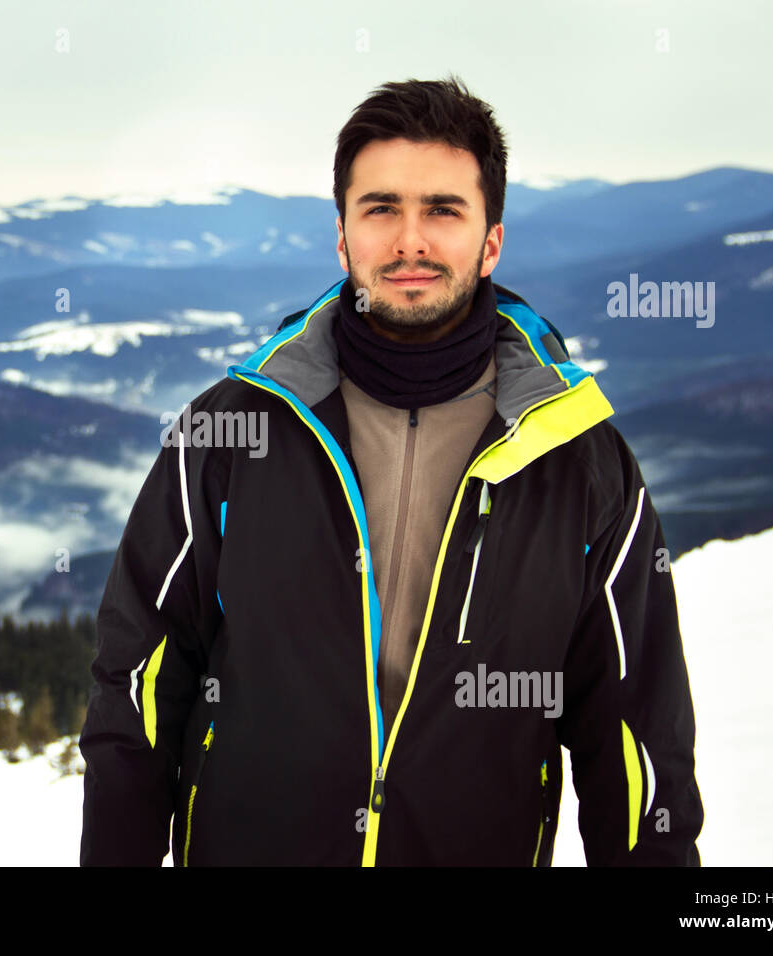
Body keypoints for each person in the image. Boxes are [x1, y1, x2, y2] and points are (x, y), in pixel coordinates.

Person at [79, 75, 703, 866]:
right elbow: (138, 681)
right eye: (381, 209)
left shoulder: (578, 458)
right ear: (342, 235)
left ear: (492, 240)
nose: (411, 241)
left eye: (443, 209)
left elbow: (636, 730)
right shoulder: (233, 428)